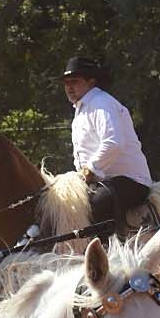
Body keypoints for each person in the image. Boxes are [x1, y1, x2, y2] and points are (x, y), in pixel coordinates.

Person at [62, 56, 152, 229]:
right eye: (66, 83)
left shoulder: (101, 103)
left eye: (74, 81)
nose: (69, 87)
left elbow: (113, 143)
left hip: (130, 181)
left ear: (91, 82)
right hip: (102, 181)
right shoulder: (82, 109)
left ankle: (108, 252)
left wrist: (88, 171)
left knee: (96, 204)